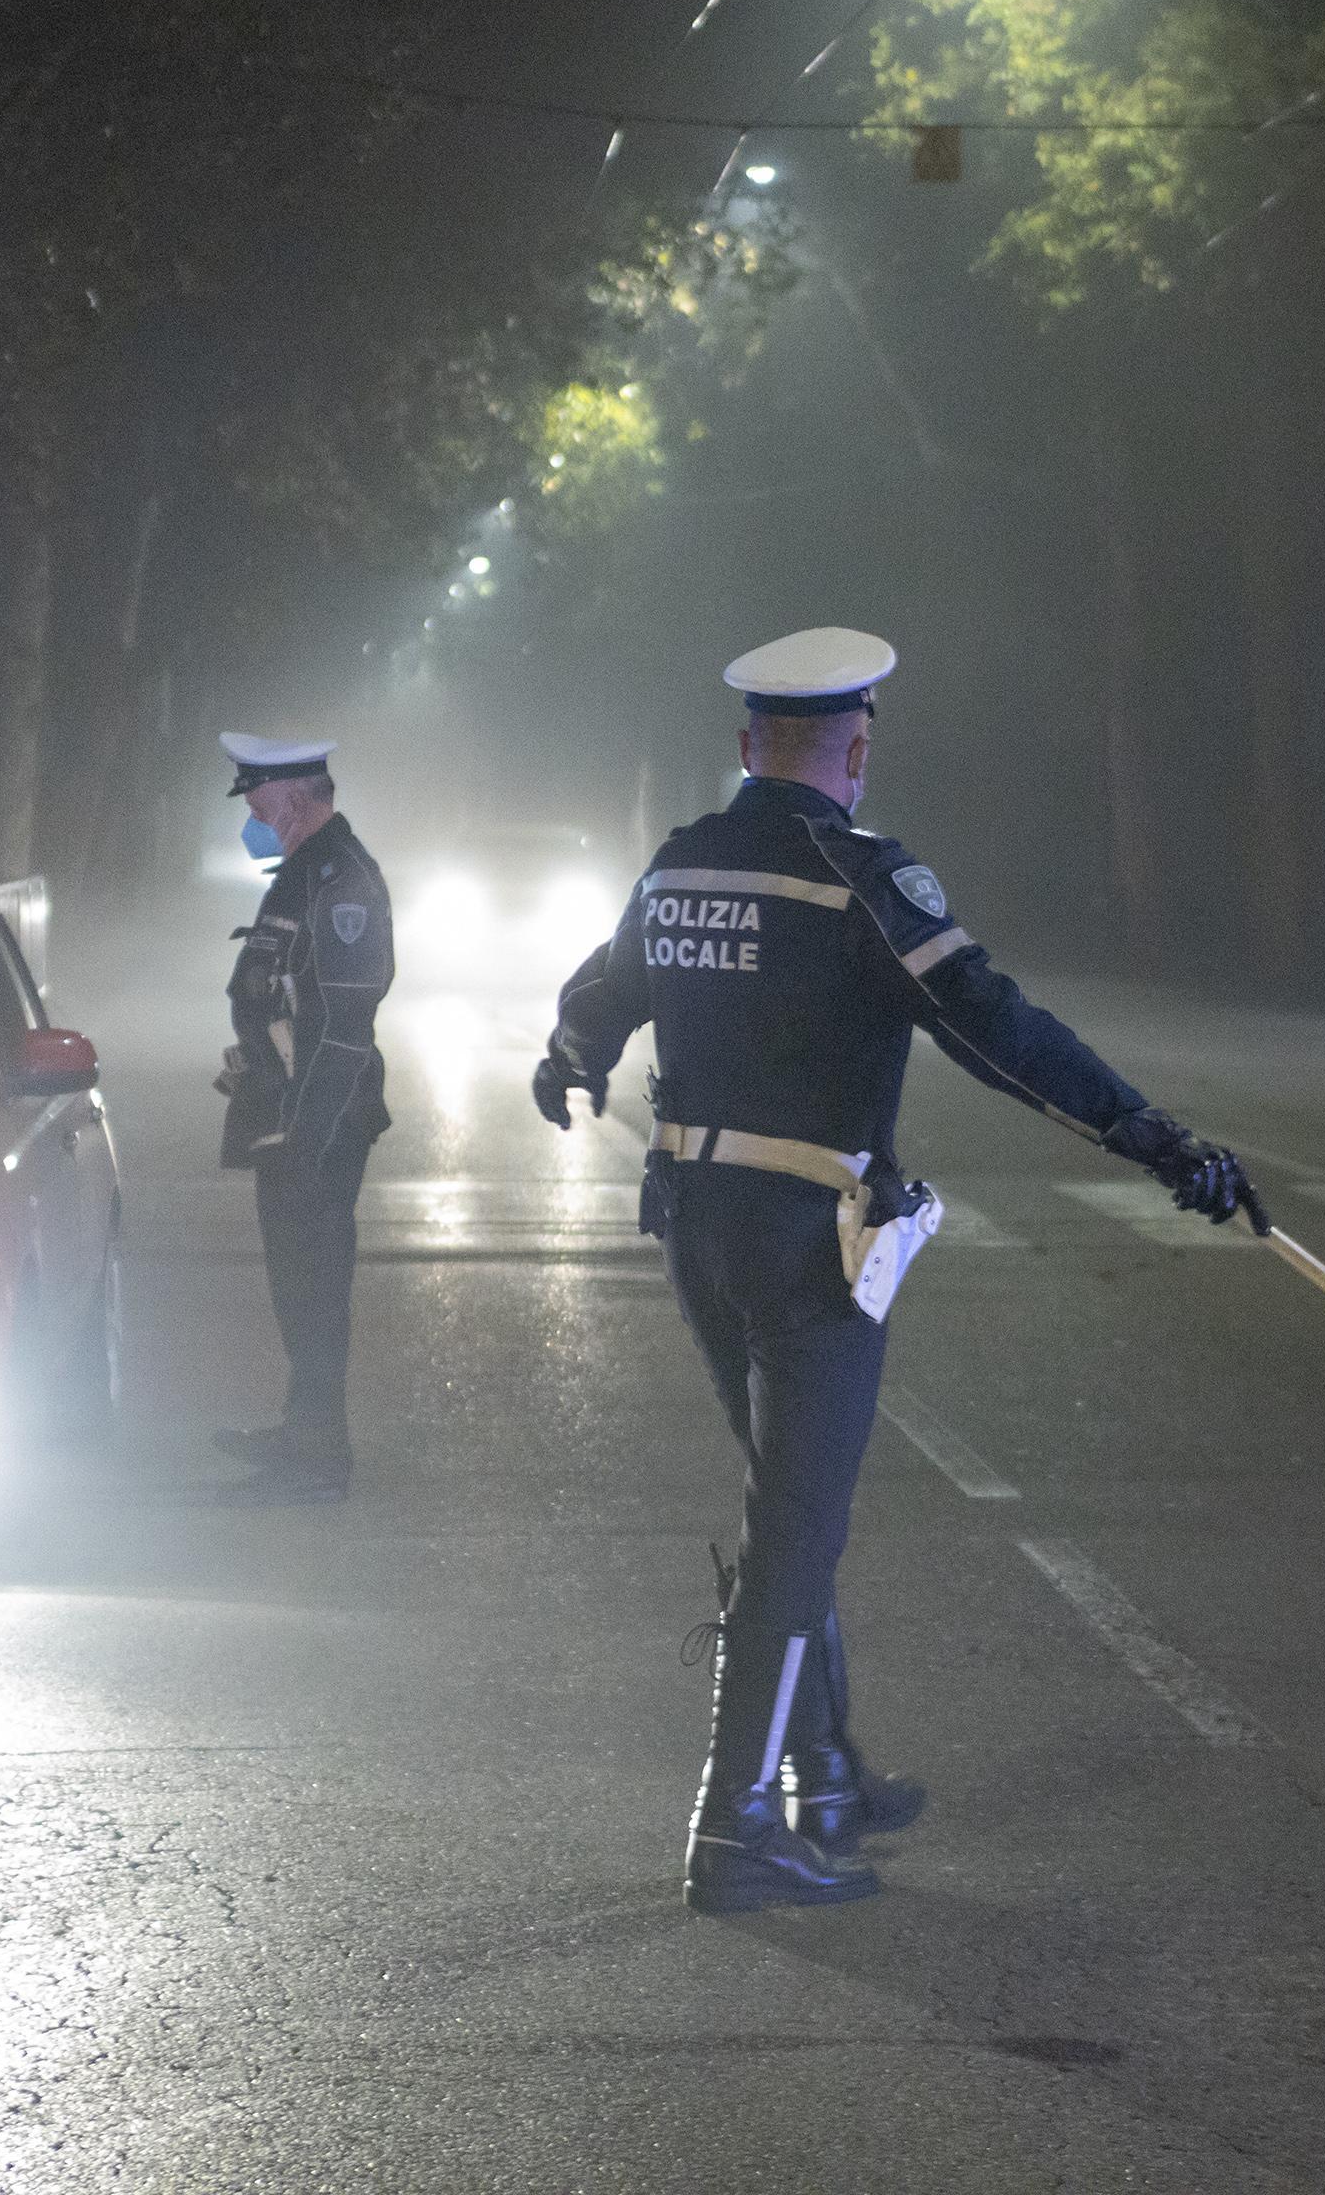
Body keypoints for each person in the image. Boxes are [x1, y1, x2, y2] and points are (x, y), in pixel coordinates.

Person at [531, 627, 1269, 1913]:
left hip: (694, 1225)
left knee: (784, 1500)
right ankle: (737, 1828)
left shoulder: (682, 863)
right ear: (858, 750)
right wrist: (1149, 1135)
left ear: (744, 745)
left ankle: (820, 1772)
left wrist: (570, 1059)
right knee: (797, 1526)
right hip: (812, 1239)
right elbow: (1001, 1032)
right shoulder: (861, 876)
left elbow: (602, 991)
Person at [213, 731, 394, 1501]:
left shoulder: (341, 880)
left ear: (294, 798)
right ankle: (304, 1426)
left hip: (318, 1119)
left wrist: (305, 1134)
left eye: (258, 804)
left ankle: (318, 1447)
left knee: (315, 1280)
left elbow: (346, 1027)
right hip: (286, 1109)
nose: (251, 818)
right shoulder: (300, 876)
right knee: (297, 1281)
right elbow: (285, 997)